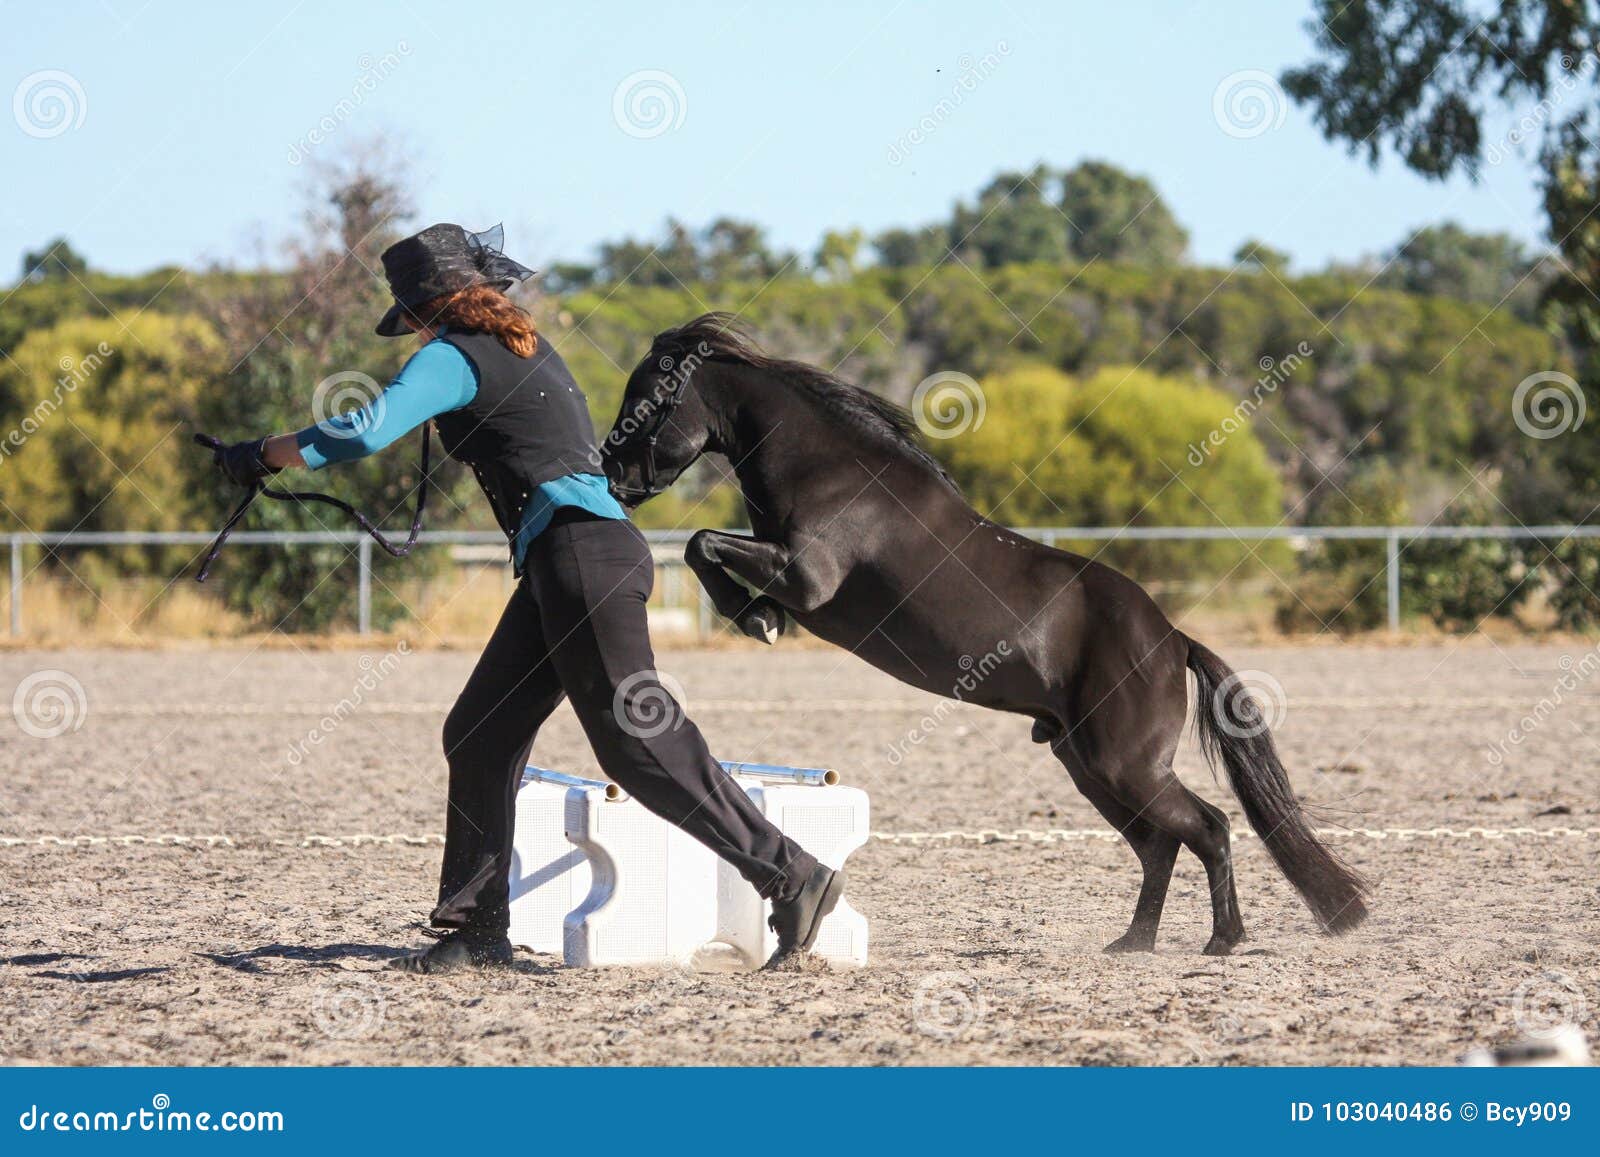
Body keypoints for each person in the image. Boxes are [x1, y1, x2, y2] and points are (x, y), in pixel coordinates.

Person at [208, 223, 841, 973]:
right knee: (480, 732)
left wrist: (262, 454)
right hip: (569, 559)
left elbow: (365, 431)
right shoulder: (524, 345)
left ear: (423, 311)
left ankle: (791, 874)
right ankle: (478, 930)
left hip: (579, 559)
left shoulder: (451, 355)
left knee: (638, 744)